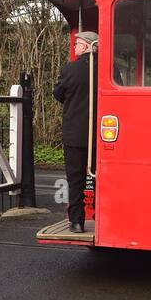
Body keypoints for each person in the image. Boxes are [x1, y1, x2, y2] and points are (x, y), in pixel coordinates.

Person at [54, 31, 97, 231]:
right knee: (103, 177)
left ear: (88, 46)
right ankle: (102, 216)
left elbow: (58, 94)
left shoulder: (70, 70)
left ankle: (78, 221)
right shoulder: (109, 69)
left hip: (75, 133)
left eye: (77, 44)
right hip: (100, 135)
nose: (75, 47)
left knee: (75, 179)